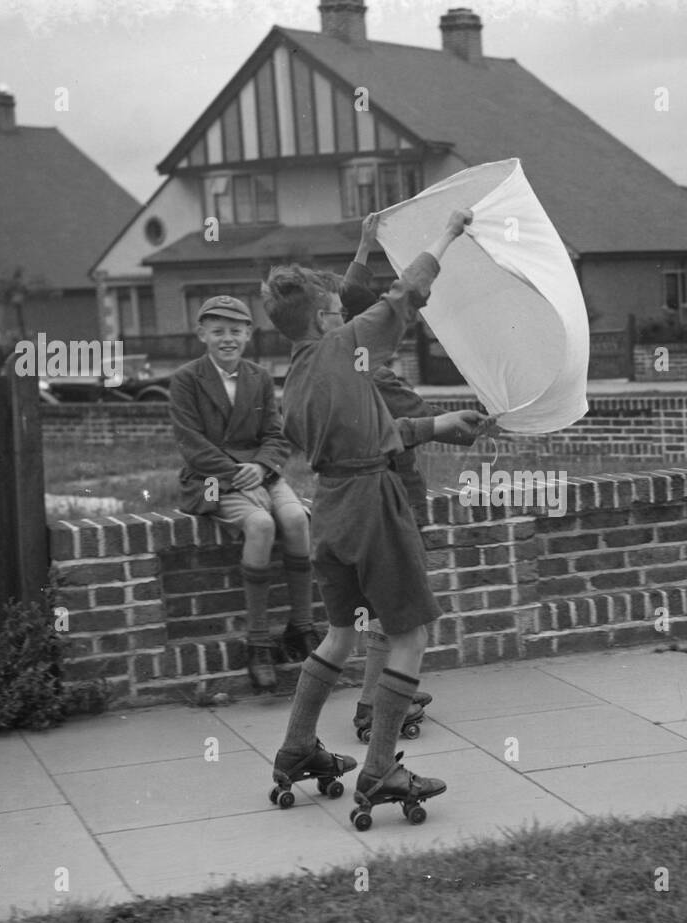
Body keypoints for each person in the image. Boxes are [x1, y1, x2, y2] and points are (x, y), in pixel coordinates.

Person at [261, 208, 487, 828]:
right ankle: (381, 767)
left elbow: (368, 434)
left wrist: (438, 426)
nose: (343, 309)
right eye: (334, 305)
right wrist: (449, 232)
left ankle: (297, 748)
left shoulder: (298, 378)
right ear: (324, 317)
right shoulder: (349, 345)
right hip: (373, 508)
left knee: (340, 635)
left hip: (329, 510)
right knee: (409, 633)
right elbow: (406, 292)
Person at [169, 295, 322, 690]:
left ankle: (300, 626)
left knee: (294, 519)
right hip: (212, 477)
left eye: (236, 331)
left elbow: (275, 433)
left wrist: (261, 467)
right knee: (259, 525)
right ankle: (257, 642)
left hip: (261, 472)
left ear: (249, 335)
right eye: (217, 331)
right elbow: (192, 444)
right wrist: (238, 475)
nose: (227, 339)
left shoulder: (258, 377)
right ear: (201, 334)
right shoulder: (187, 379)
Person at [339, 212, 441, 743]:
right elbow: (422, 421)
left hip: (359, 499)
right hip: (396, 495)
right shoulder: (380, 380)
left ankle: (383, 690)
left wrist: (364, 245)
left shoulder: (336, 355)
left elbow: (352, 299)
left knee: (389, 604)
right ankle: (374, 704)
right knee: (401, 605)